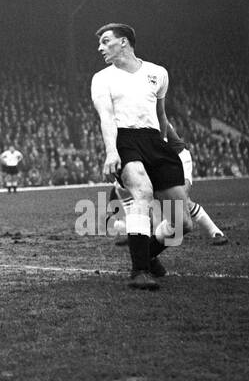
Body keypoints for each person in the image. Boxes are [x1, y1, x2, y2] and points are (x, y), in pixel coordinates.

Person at [90, 23, 191, 289]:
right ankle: (139, 272)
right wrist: (111, 151)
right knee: (142, 193)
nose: (100, 47)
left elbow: (160, 115)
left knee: (182, 224)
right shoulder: (101, 78)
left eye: (105, 41)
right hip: (125, 139)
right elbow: (106, 118)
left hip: (155, 141)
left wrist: (171, 140)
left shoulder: (158, 73)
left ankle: (145, 255)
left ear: (123, 42)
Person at [109, 125, 228, 245]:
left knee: (181, 201)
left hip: (176, 156)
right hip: (154, 156)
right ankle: (133, 231)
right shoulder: (126, 119)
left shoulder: (147, 116)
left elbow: (161, 140)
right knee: (123, 188)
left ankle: (215, 232)